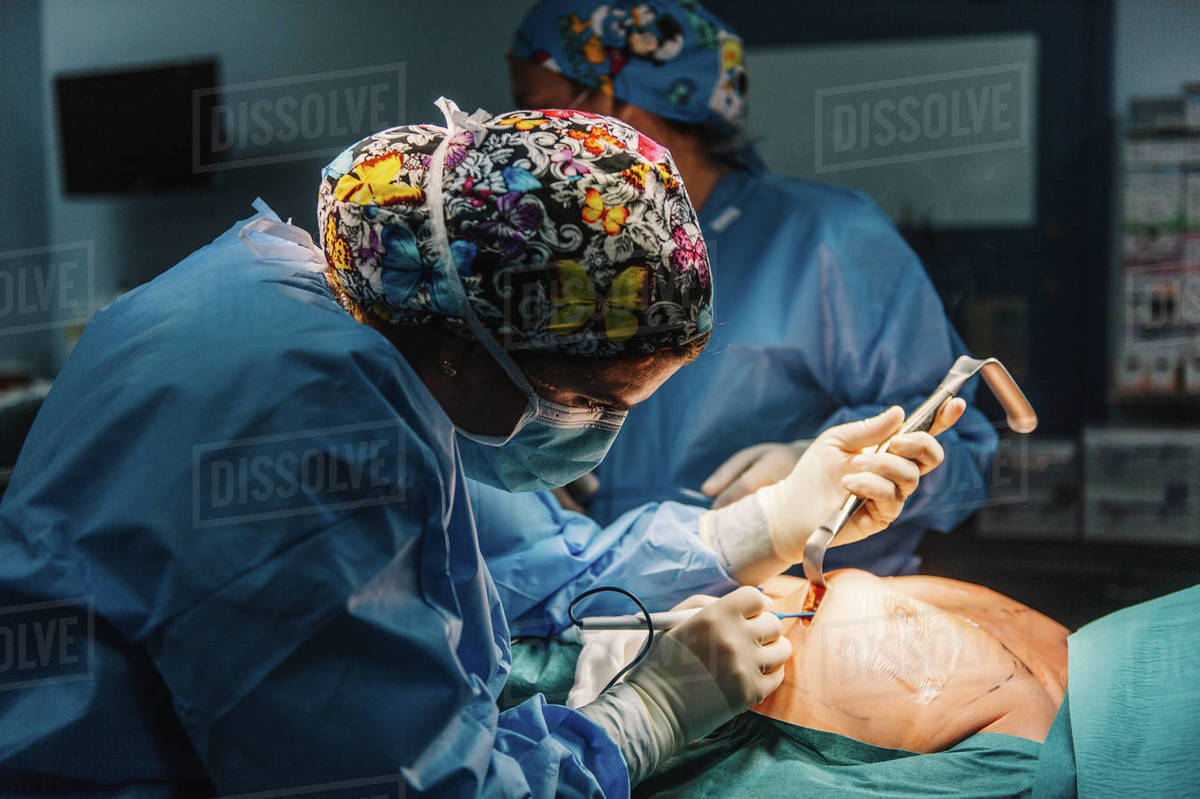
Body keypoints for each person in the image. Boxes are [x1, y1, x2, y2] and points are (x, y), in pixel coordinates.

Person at [0, 101, 783, 797]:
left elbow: (493, 574)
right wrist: (647, 714)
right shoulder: (310, 432)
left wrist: (762, 524)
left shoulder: (321, 306)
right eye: (584, 403)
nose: (598, 438)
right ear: (468, 343)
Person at [484, 0, 997, 584]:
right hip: (613, 598)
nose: (528, 143)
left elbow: (965, 452)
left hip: (806, 609)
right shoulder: (568, 251)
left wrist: (815, 468)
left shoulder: (829, 240)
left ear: (629, 108)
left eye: (534, 109)